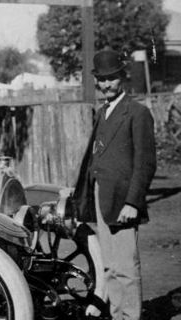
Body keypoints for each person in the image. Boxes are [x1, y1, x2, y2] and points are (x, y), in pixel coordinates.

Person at [72, 49, 157, 320]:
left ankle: (130, 316)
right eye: (102, 79)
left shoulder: (136, 112)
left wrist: (133, 202)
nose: (106, 84)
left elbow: (145, 163)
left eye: (112, 78)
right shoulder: (102, 113)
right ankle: (118, 314)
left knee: (126, 268)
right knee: (108, 266)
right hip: (102, 196)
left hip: (123, 200)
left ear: (122, 78)